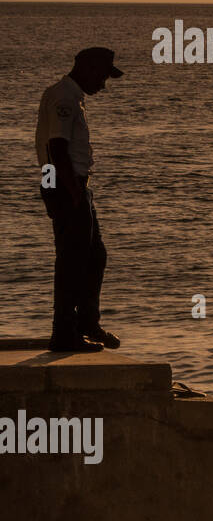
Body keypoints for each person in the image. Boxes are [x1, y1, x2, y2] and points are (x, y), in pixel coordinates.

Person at [35, 47, 124, 353]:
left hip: (68, 184)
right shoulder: (65, 98)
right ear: (86, 68)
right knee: (72, 260)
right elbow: (56, 147)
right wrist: (72, 192)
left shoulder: (67, 95)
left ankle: (86, 321)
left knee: (94, 256)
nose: (103, 84)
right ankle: (64, 332)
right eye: (102, 76)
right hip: (66, 185)